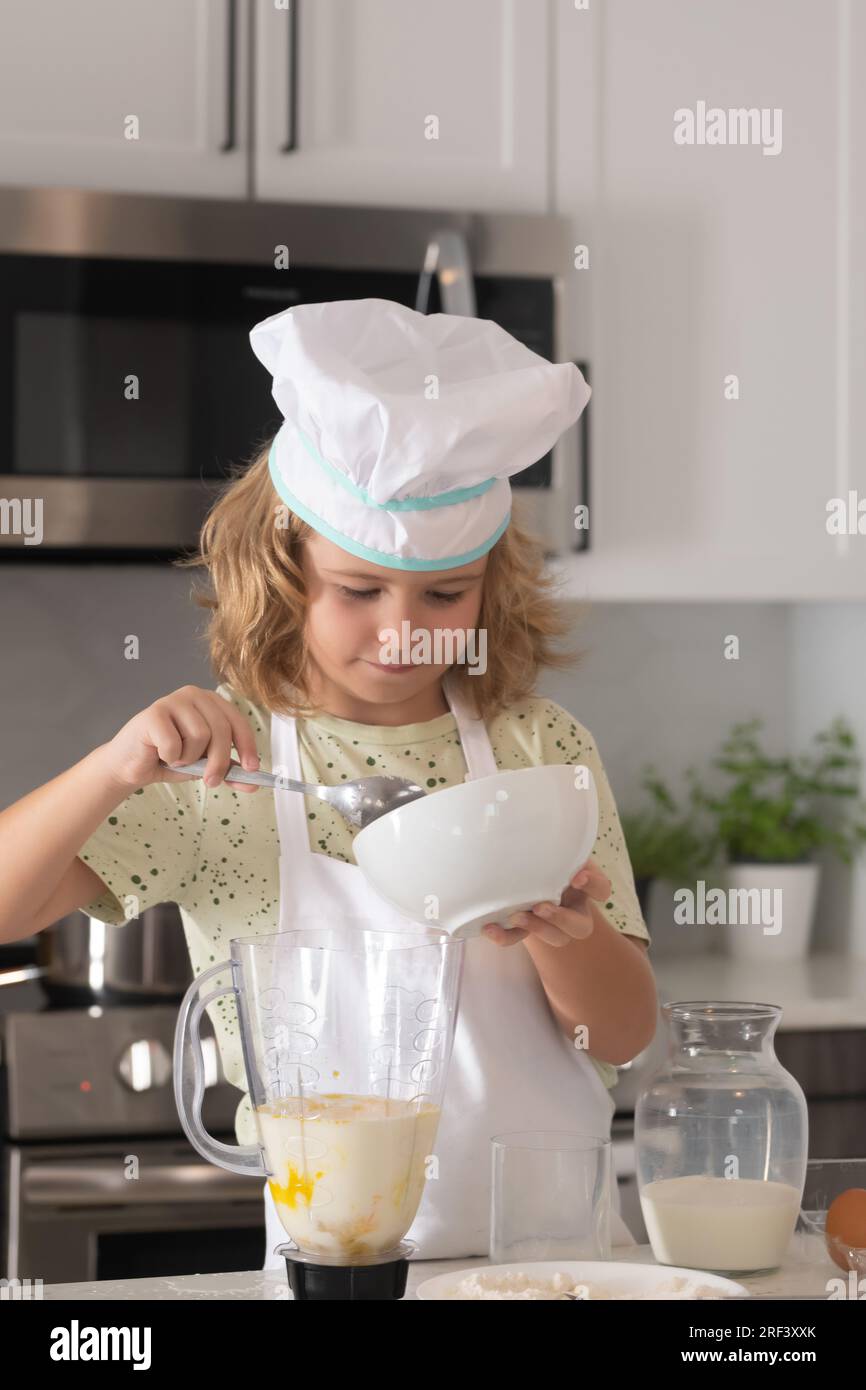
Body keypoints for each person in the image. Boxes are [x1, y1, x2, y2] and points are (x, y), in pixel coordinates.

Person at [0, 298, 657, 1265]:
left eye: (445, 593)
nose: (402, 630)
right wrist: (112, 768)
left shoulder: (539, 750)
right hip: (338, 1255)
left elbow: (625, 1034)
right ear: (282, 570)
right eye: (358, 591)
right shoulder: (222, 769)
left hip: (558, 1254)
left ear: (492, 585)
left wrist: (572, 935)